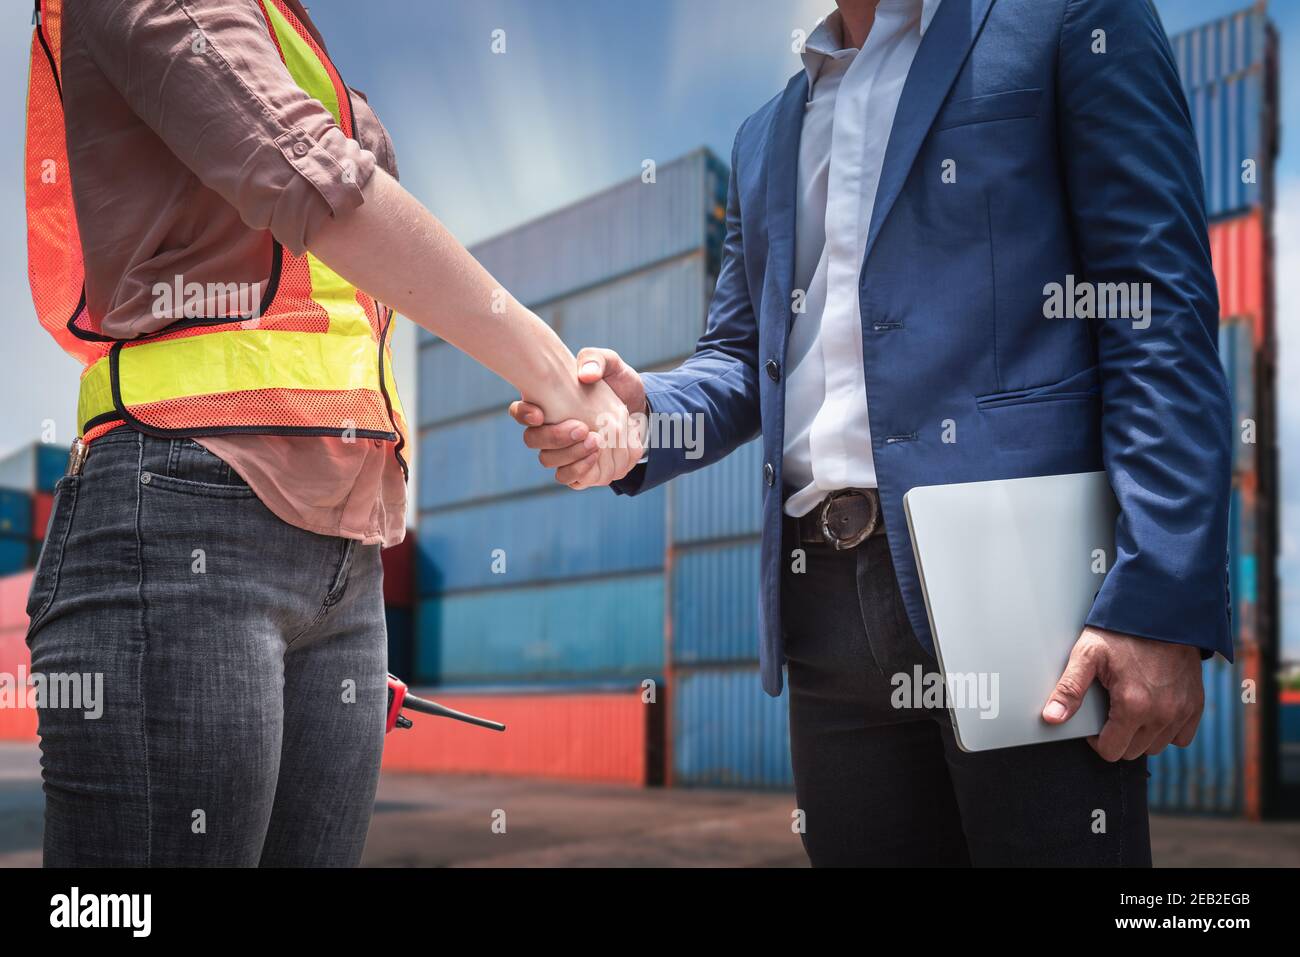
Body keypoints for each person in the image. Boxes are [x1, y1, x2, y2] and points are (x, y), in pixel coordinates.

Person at [510, 0, 1231, 866]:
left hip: (1027, 601)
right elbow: (743, 359)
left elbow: (1153, 302)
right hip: (823, 608)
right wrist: (643, 414)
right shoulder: (764, 135)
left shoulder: (1067, 16)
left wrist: (1159, 597)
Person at [24, 0, 635, 867]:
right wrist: (552, 373)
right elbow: (306, 176)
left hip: (345, 554)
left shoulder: (284, 25)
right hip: (181, 508)